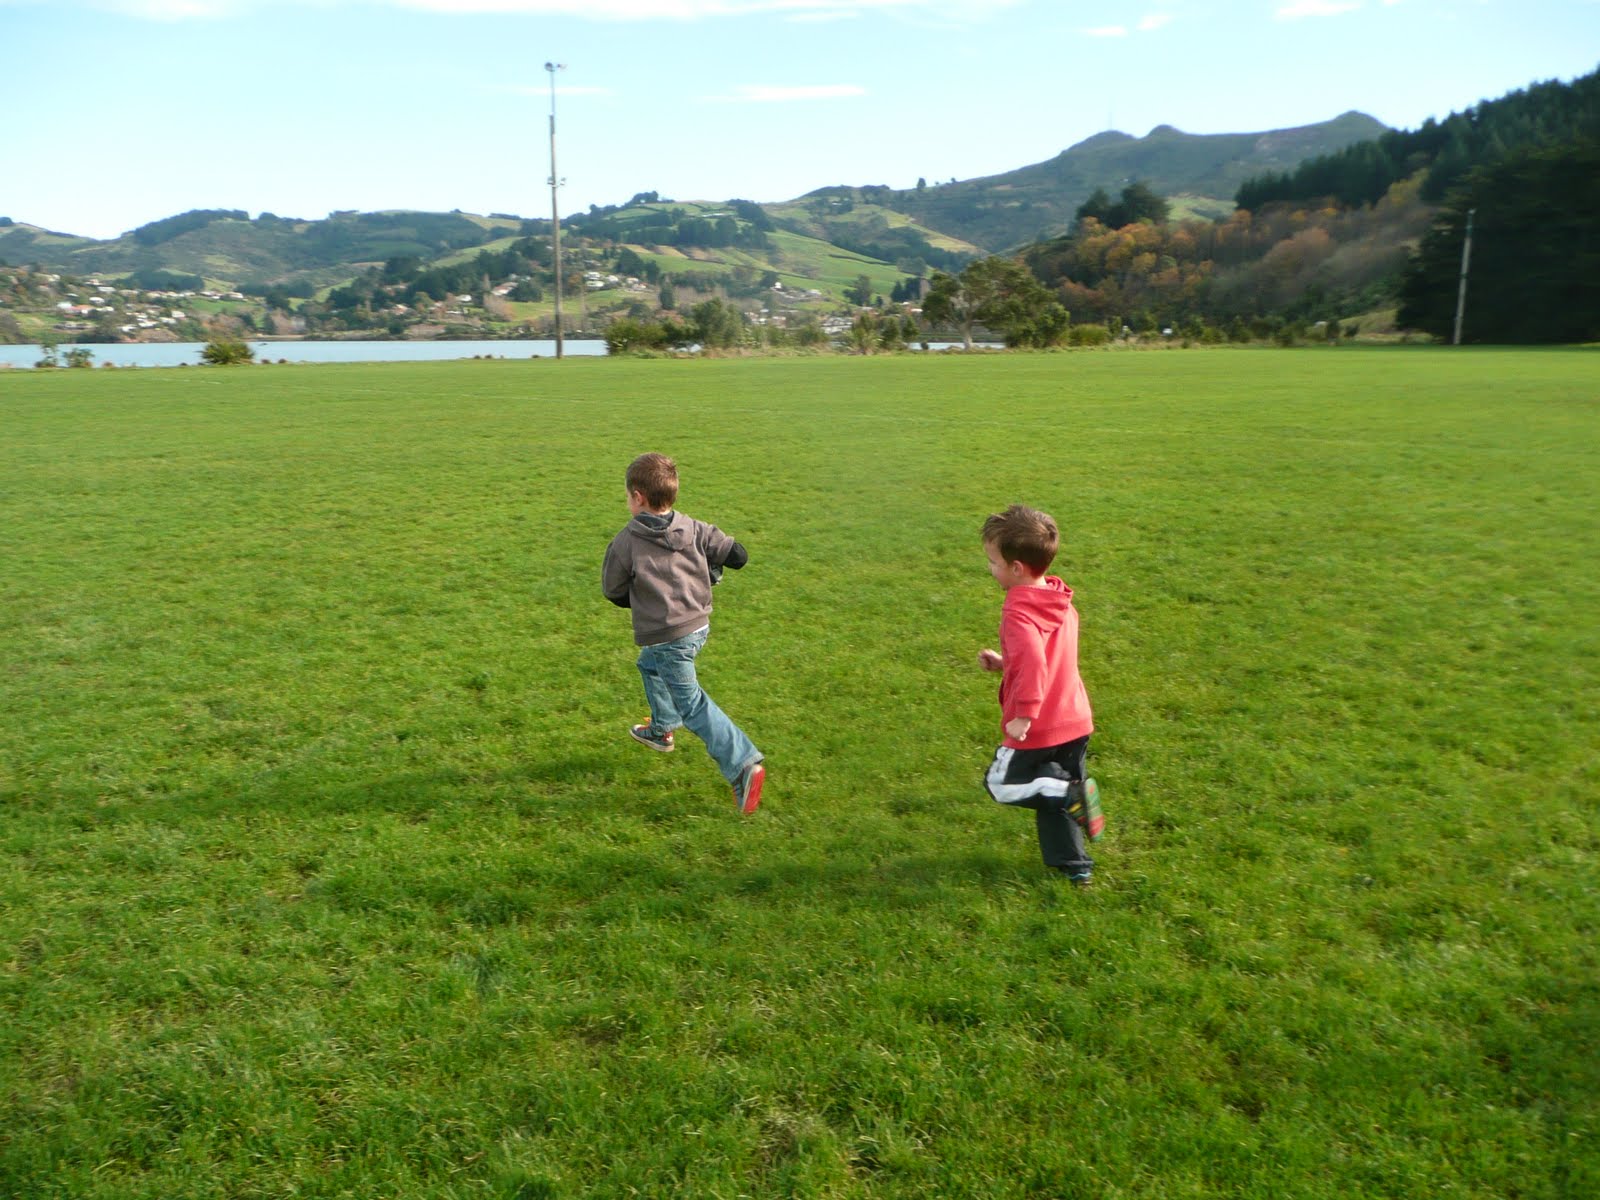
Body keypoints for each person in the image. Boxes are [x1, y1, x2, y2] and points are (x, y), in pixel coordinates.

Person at [602, 453, 766, 813]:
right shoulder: (693, 527)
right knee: (649, 666)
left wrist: (646, 597)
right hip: (698, 625)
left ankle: (742, 766)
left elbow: (613, 591)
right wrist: (710, 567)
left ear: (638, 497)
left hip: (668, 635)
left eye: (628, 496)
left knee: (692, 704)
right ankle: (661, 730)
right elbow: (737, 554)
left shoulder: (625, 543)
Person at [977, 504, 1103, 884]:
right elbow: (1046, 653)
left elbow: (1033, 663)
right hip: (1074, 717)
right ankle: (1076, 869)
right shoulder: (1057, 599)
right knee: (1054, 793)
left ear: (1017, 568)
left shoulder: (1018, 612)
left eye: (994, 562)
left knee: (1002, 784)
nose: (990, 569)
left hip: (1040, 723)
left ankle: (1070, 793)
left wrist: (1025, 713)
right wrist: (1004, 661)